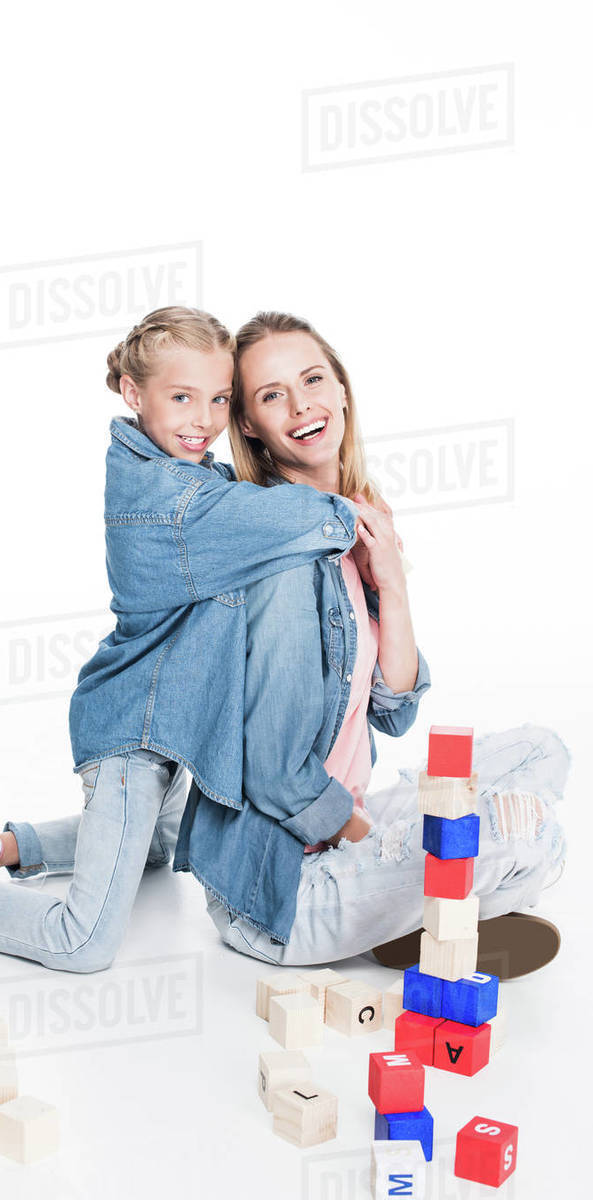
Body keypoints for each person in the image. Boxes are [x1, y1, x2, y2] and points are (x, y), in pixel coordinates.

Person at [0, 306, 362, 972]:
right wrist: (360, 518)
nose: (203, 420)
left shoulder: (186, 475)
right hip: (131, 735)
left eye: (219, 399)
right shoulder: (172, 499)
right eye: (181, 397)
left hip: (175, 736)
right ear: (135, 394)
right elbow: (316, 516)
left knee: (159, 854)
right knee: (81, 940)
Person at [174, 312, 569, 979]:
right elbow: (271, 770)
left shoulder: (350, 523)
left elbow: (392, 708)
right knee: (534, 835)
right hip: (282, 890)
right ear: (248, 425)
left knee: (542, 752)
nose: (302, 405)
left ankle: (413, 907)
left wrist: (389, 578)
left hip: (344, 827)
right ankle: (423, 903)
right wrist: (376, 841)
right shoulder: (282, 554)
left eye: (312, 378)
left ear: (342, 389)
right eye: (272, 395)